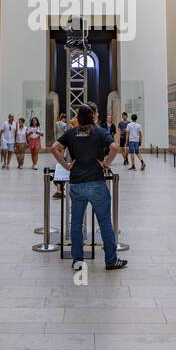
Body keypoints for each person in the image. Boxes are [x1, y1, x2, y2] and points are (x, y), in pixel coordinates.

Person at [51, 103, 127, 271]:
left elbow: (54, 148)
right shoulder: (99, 132)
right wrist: (106, 163)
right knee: (105, 222)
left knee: (76, 224)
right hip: (96, 182)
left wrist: (66, 165)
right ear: (93, 116)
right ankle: (111, 260)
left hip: (77, 183)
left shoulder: (71, 133)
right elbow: (115, 146)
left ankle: (78, 260)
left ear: (78, 118)